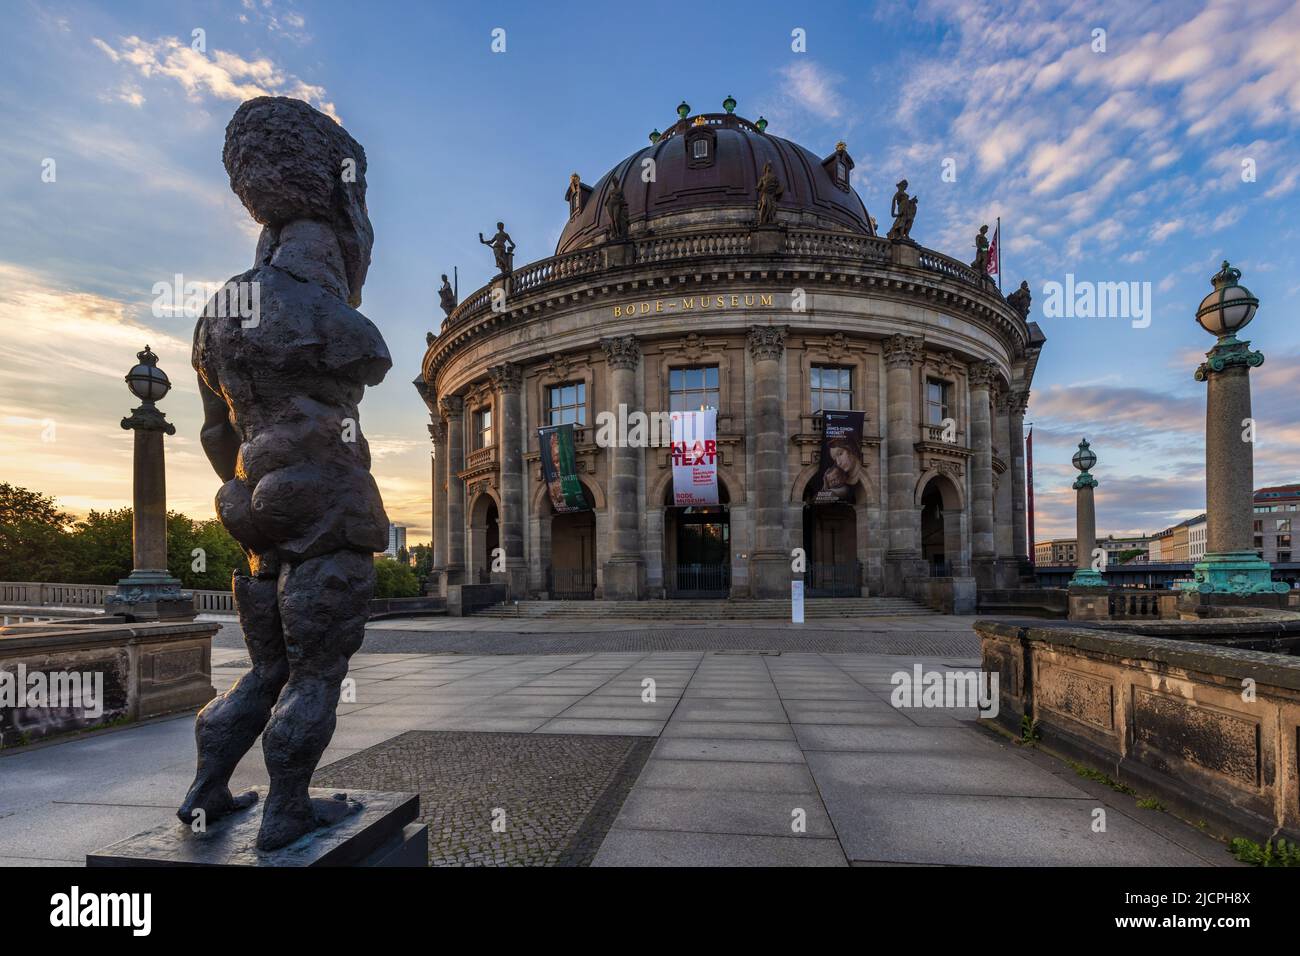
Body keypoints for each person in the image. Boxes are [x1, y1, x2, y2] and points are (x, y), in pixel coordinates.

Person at [182, 96, 391, 851]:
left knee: (264, 667)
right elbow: (364, 349)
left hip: (248, 500)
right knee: (315, 672)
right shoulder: (337, 321)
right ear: (342, 202)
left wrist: (242, 487)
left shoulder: (216, 312)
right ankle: (286, 812)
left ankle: (206, 791)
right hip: (325, 498)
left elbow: (213, 428)